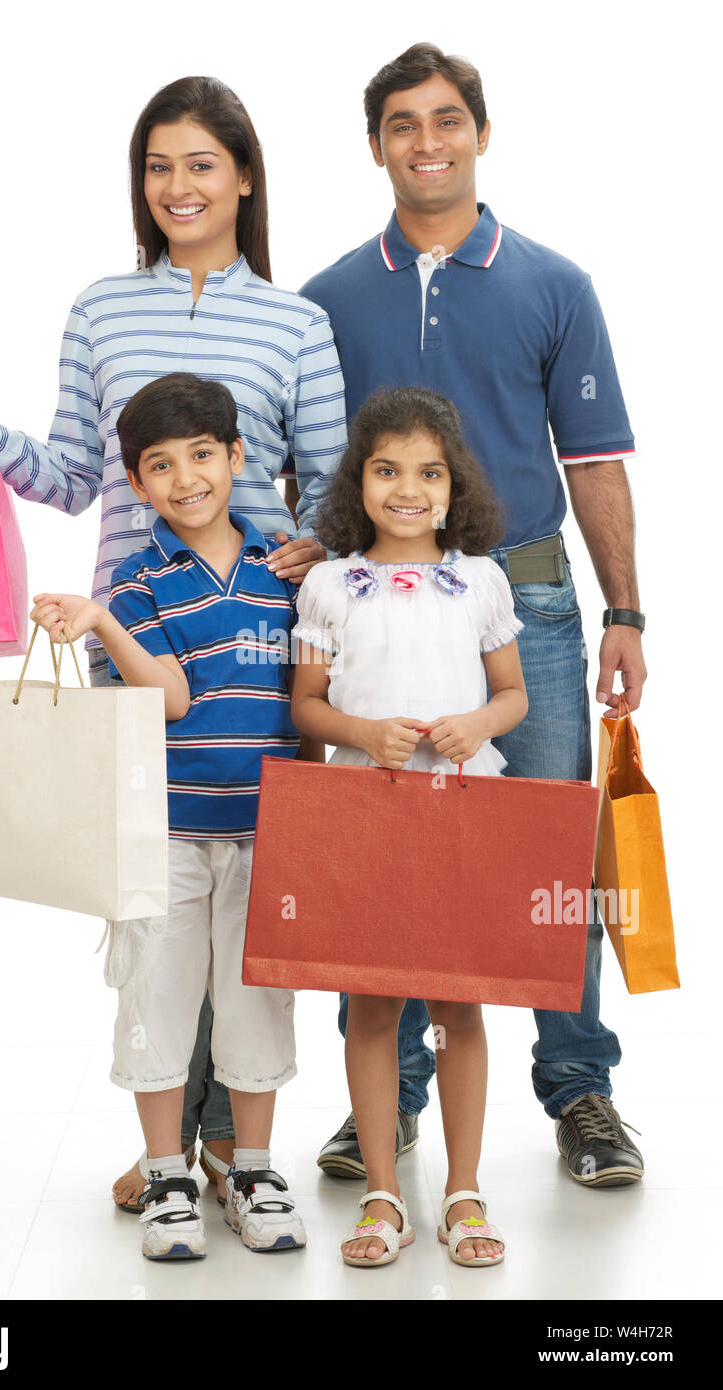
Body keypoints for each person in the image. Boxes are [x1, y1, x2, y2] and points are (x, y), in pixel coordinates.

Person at [0, 74, 344, 1211]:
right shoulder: (99, 307)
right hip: (123, 642)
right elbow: (64, 473)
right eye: (158, 165)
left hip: (250, 644)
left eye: (201, 162)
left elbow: (331, 487)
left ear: (243, 174)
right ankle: (173, 1149)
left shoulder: (296, 322)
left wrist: (298, 549)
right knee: (157, 895)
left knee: (240, 874)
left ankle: (221, 1148)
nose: (179, 185)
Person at [297, 42, 646, 1187]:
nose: (427, 142)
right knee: (381, 855)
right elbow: (316, 470)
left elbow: (591, 462)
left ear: (480, 134)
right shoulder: (330, 298)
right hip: (376, 622)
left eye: (447, 120)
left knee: (549, 857)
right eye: (403, 124)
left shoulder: (554, 284)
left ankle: (580, 1091)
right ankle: (382, 1100)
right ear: (375, 146)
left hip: (529, 603)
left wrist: (624, 612)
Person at [30, 372, 307, 1260]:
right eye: (160, 465)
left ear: (236, 457)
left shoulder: (284, 571)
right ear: (137, 485)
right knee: (157, 999)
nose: (186, 478)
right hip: (170, 836)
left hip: (272, 833)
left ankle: (253, 1168)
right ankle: (166, 1176)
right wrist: (104, 620)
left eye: (202, 455)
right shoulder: (137, 583)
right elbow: (173, 699)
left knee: (256, 1004)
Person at [291, 386, 527, 1266]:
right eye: (387, 470)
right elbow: (308, 705)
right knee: (374, 1002)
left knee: (459, 1004)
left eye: (429, 472)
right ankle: (384, 1192)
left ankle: (463, 1190)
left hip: (462, 811)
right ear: (359, 482)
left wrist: (480, 724)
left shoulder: (482, 579)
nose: (408, 489)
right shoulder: (327, 586)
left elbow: (513, 693)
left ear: (453, 484)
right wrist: (361, 734)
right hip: (365, 814)